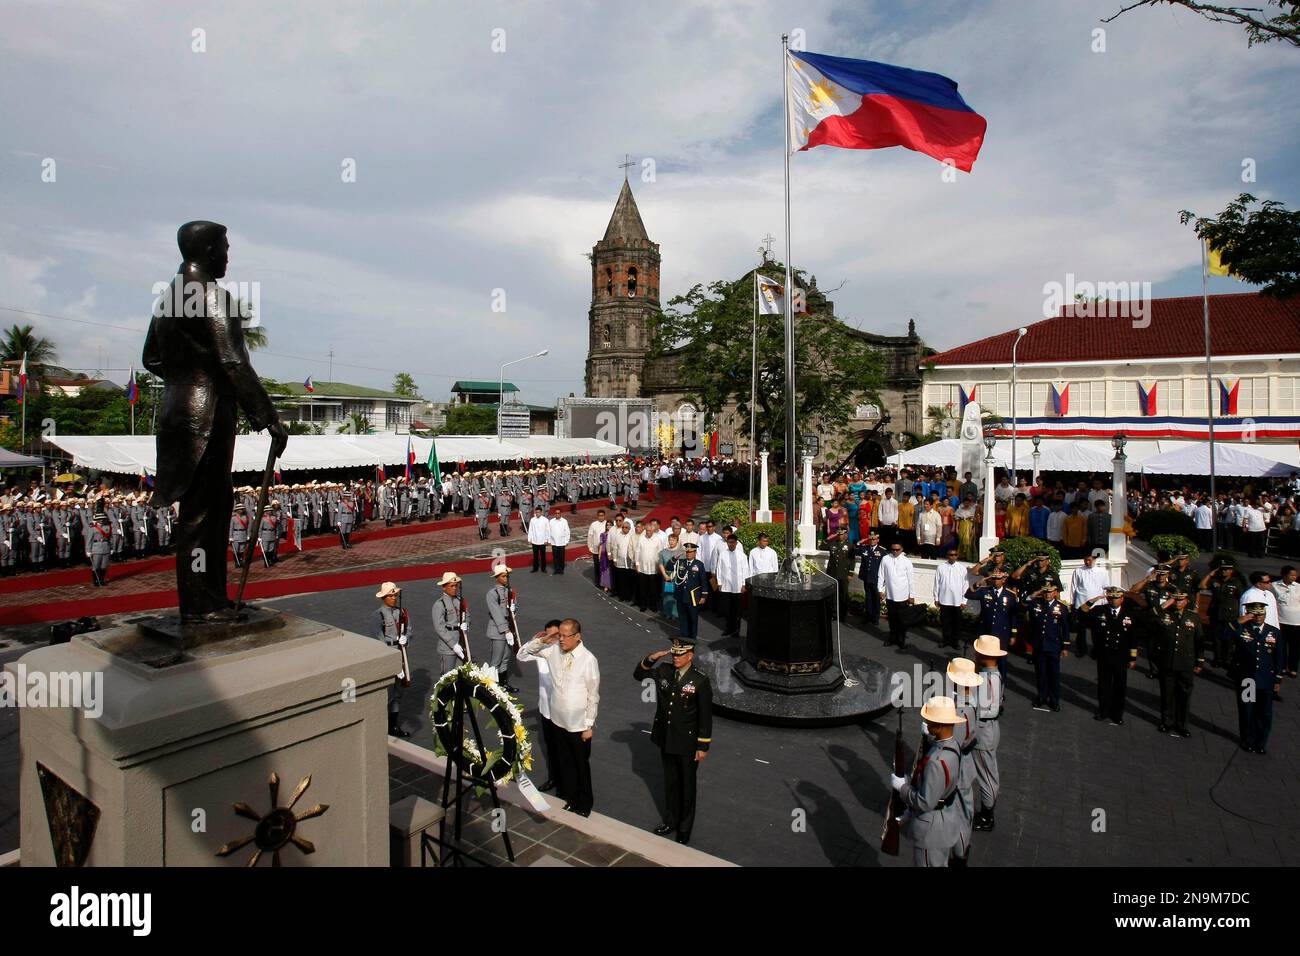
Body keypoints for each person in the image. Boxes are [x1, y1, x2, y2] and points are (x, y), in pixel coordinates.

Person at [142, 220, 288, 622]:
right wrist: (268, 418)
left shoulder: (170, 298)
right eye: (224, 247)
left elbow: (151, 359)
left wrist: (186, 378)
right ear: (208, 251)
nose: (227, 255)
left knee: (200, 510)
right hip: (206, 416)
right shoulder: (210, 295)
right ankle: (203, 606)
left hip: (176, 412)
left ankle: (207, 600)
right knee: (207, 512)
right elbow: (232, 360)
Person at [633, 637, 713, 845]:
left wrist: (703, 745)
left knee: (687, 787)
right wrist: (651, 658)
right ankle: (671, 821)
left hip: (687, 743)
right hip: (666, 738)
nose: (676, 657)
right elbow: (639, 674)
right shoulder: (664, 671)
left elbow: (705, 716)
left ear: (690, 656)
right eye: (674, 653)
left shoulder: (700, 680)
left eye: (680, 654)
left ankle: (684, 829)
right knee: (670, 783)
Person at [518, 619, 599, 816]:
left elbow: (593, 694)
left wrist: (589, 725)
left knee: (580, 763)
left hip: (578, 723)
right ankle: (571, 798)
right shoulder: (553, 650)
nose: (561, 639)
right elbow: (524, 652)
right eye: (559, 635)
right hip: (557, 718)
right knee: (565, 762)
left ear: (577, 636)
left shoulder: (588, 659)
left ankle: (584, 802)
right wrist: (546, 639)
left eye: (565, 636)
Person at [889, 695, 963, 867]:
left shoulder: (936, 762)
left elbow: (925, 802)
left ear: (939, 725)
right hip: (945, 817)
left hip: (931, 830)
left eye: (930, 721)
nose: (927, 724)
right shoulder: (952, 745)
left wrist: (903, 789)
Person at [516, 619, 562, 792]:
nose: (553, 638)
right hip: (546, 708)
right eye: (549, 635)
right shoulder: (540, 650)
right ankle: (554, 778)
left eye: (555, 635)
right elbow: (520, 655)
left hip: (562, 710)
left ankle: (566, 780)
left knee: (563, 748)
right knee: (550, 746)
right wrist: (537, 640)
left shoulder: (565, 651)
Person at [1232, 602, 1282, 754]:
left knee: (1264, 712)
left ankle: (1261, 742)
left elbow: (1278, 657)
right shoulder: (1242, 629)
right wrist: (1240, 620)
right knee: (1247, 711)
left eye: (1261, 614)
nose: (1258, 617)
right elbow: (1224, 634)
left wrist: (1278, 679)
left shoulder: (1273, 632)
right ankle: (1247, 739)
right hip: (1248, 679)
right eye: (1255, 614)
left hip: (1266, 680)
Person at [946, 657, 983, 866]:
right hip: (967, 761)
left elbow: (954, 743)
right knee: (964, 805)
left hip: (960, 765)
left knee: (960, 810)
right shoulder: (970, 700)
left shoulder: (962, 710)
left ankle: (960, 853)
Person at [1152, 592, 1204, 737]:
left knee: (1184, 695)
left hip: (1185, 662)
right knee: (1167, 694)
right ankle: (1166, 722)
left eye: (1181, 600)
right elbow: (1150, 618)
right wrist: (1164, 605)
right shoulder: (1165, 614)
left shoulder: (1193, 617)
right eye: (1175, 600)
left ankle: (1182, 724)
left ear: (1187, 601)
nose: (1178, 603)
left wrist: (1200, 660)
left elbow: (1199, 640)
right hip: (1168, 660)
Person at [1088, 585, 1139, 724]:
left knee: (1119, 686)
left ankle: (1117, 714)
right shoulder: (1100, 611)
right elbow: (1080, 614)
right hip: (1104, 655)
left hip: (1120, 657)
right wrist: (1092, 601)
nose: (1113, 600)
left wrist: (1132, 657)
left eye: (1116, 598)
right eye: (1110, 597)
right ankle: (1103, 711)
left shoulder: (1129, 614)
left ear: (1122, 599)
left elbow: (1133, 638)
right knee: (1104, 686)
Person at [971, 636, 1005, 833]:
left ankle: (987, 815)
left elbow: (988, 710)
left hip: (983, 733)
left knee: (986, 774)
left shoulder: (988, 678)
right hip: (986, 731)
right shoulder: (987, 674)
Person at [373, 581, 412, 738]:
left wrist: (406, 638)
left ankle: (393, 726)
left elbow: (409, 629)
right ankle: (379, 725)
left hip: (400, 652)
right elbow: (377, 637)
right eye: (391, 595)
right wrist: (392, 662)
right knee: (387, 693)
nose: (394, 598)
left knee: (397, 693)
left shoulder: (401, 612)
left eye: (395, 595)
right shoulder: (378, 615)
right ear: (384, 597)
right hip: (388, 654)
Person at [1026, 582, 1070, 712]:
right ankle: (1041, 697)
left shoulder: (1061, 607)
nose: (1047, 594)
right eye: (1045, 592)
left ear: (1055, 593)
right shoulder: (1036, 604)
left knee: (1054, 674)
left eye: (1050, 592)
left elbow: (1065, 628)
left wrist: (1065, 647)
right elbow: (1024, 603)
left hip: (1054, 645)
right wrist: (1035, 594)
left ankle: (1054, 700)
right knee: (1041, 673)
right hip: (1039, 645)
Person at [966, 570, 1017, 679]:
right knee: (983, 660)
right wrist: (978, 583)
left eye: (998, 579)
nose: (995, 581)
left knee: (1001, 662)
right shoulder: (984, 591)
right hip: (985, 631)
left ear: (1003, 580)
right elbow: (968, 594)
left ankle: (1000, 690)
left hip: (1001, 634)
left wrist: (1013, 634)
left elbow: (1013, 616)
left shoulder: (1010, 595)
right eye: (993, 578)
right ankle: (982, 686)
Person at [1203, 560, 1246, 668]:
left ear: (1231, 571)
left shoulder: (1236, 582)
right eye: (1222, 569)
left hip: (1230, 615)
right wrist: (1210, 574)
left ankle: (1227, 660)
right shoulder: (1215, 581)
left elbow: (1242, 598)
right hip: (1216, 614)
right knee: (1216, 639)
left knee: (1228, 639)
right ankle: (1217, 659)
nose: (1224, 572)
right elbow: (1202, 585)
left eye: (1227, 569)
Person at [484, 564, 520, 693]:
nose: (506, 578)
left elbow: (513, 607)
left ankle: (503, 683)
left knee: (505, 657)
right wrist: (506, 630)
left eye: (507, 576)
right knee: (496, 659)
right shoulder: (492, 594)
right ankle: (491, 686)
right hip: (498, 630)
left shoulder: (510, 591)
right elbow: (496, 614)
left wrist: (514, 609)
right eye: (504, 576)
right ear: (497, 577)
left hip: (509, 627)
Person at [1069, 552, 1109, 656]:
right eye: (1085, 560)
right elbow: (1073, 587)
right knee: (1081, 630)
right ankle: (1081, 650)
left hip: (1097, 606)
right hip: (1081, 604)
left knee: (1097, 630)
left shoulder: (1102, 572)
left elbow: (1106, 588)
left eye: (1090, 560)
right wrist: (1072, 603)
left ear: (1095, 560)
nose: (1087, 562)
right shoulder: (1078, 571)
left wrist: (1105, 604)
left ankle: (1097, 650)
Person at [711, 533, 749, 637]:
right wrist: (719, 582)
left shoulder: (742, 556)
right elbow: (719, 569)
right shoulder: (723, 554)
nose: (731, 544)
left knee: (737, 610)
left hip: (737, 587)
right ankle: (728, 628)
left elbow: (745, 571)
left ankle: (736, 631)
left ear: (736, 543)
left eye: (733, 542)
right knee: (727, 609)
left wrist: (744, 584)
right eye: (729, 542)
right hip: (726, 586)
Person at [880, 541, 915, 648]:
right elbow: (881, 575)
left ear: (902, 549)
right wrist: (880, 590)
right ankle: (892, 638)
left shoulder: (907, 561)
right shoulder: (885, 559)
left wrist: (912, 595)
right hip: (890, 595)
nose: (895, 552)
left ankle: (901, 640)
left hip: (903, 596)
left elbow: (911, 580)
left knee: (902, 620)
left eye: (897, 549)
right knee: (892, 618)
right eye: (893, 549)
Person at [432, 571, 468, 676]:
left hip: (461, 641)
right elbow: (440, 628)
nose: (454, 588)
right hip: (447, 646)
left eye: (456, 586)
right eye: (451, 586)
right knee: (447, 677)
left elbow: (467, 616)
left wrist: (466, 624)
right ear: (444, 587)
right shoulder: (439, 604)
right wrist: (453, 644)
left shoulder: (460, 601)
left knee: (460, 675)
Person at [673, 541, 709, 642]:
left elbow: (703, 581)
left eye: (691, 552)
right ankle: (684, 635)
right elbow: (669, 567)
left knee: (693, 618)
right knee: (683, 617)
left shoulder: (699, 565)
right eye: (687, 552)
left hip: (693, 597)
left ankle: (692, 637)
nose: (689, 554)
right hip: (681, 595)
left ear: (695, 553)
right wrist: (675, 558)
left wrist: (704, 596)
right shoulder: (681, 562)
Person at [933, 547, 969, 650]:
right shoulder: (941, 567)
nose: (953, 557)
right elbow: (937, 584)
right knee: (945, 623)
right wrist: (936, 597)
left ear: (957, 556)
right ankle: (945, 641)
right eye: (950, 555)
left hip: (957, 601)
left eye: (955, 555)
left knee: (956, 623)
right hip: (944, 600)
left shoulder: (962, 568)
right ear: (947, 556)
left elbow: (965, 585)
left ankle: (955, 642)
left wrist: (964, 600)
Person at [1274, 566, 1300, 679]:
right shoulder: (1274, 586)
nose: (1294, 577)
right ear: (1284, 575)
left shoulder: (1299, 587)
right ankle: (1282, 666)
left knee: (1295, 647)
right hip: (1281, 621)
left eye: (1295, 575)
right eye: (1292, 575)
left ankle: (1293, 668)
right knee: (1281, 646)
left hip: (1296, 622)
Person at [854, 531, 886, 626]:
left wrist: (883, 580)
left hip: (876, 578)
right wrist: (861, 541)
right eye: (870, 539)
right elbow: (855, 549)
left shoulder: (882, 551)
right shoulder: (865, 549)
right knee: (868, 598)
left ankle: (875, 618)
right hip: (866, 577)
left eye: (874, 539)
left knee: (876, 598)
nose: (872, 541)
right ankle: (868, 616)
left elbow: (884, 567)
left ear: (877, 540)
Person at [826, 528, 853, 622]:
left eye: (842, 534)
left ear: (845, 535)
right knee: (833, 595)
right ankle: (834, 613)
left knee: (843, 595)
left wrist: (850, 573)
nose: (840, 536)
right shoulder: (833, 543)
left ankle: (843, 615)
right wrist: (829, 538)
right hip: (833, 573)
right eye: (838, 534)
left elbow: (852, 560)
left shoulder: (849, 545)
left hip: (844, 573)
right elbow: (823, 546)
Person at [85, 509, 112, 587]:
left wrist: (112, 547)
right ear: (96, 520)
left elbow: (110, 538)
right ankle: (95, 581)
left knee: (104, 565)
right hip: (96, 547)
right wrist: (88, 550)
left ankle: (101, 579)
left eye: (102, 518)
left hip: (105, 546)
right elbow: (89, 540)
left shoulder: (107, 526)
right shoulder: (92, 527)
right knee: (96, 565)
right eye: (99, 519)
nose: (100, 520)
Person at [547, 507, 571, 575]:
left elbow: (567, 531)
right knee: (555, 556)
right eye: (556, 513)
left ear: (560, 514)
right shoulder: (551, 521)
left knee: (561, 556)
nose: (557, 514)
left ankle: (561, 569)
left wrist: (567, 541)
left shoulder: (564, 521)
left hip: (561, 542)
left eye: (558, 513)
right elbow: (548, 531)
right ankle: (556, 569)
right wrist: (549, 540)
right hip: (554, 542)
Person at [527, 505, 549, 572]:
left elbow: (548, 530)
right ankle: (535, 568)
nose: (537, 513)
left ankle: (543, 568)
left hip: (542, 541)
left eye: (539, 512)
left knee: (543, 556)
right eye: (536, 512)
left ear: (541, 512)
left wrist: (547, 540)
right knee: (535, 556)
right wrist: (529, 539)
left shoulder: (545, 520)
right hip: (534, 541)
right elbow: (530, 530)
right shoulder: (532, 520)